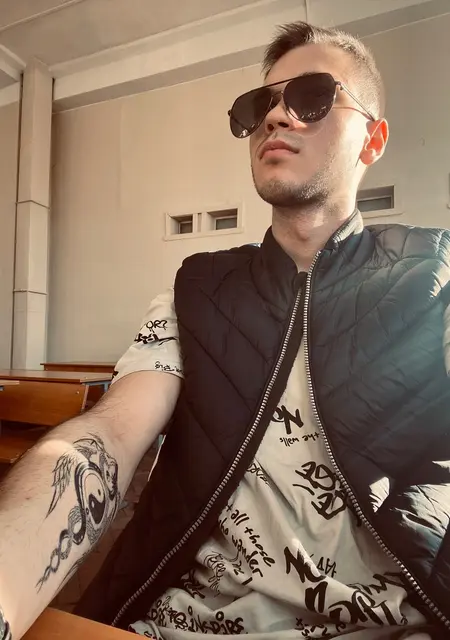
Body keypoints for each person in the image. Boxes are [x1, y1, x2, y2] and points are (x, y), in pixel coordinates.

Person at [1, 19, 449, 640]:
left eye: (312, 96)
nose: (276, 117)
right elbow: (110, 433)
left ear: (372, 139)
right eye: (261, 104)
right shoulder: (197, 292)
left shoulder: (433, 280)